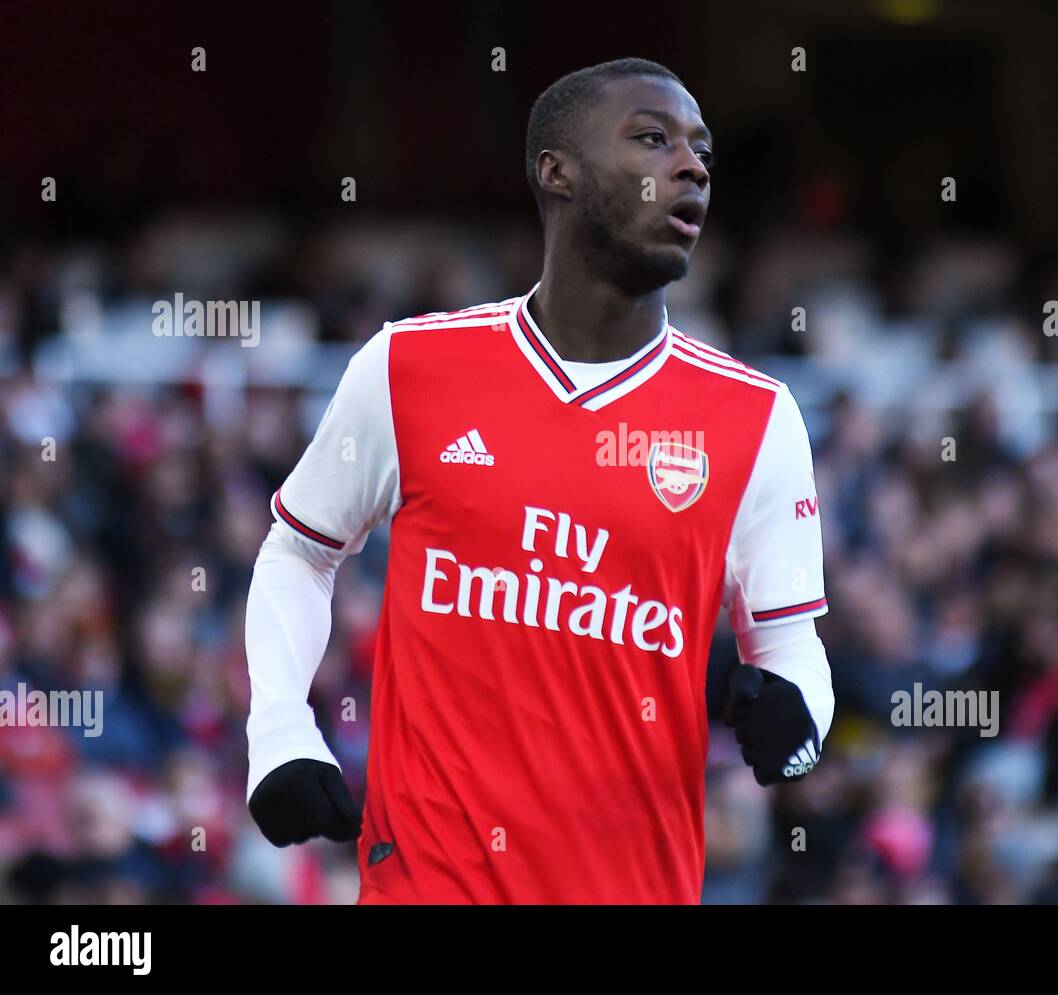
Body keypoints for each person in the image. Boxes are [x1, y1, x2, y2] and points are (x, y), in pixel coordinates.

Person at [244, 57, 834, 903]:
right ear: (556, 172)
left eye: (702, 149)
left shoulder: (757, 418)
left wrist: (800, 717)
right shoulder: (408, 367)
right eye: (654, 138)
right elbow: (298, 551)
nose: (693, 165)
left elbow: (790, 650)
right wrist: (280, 731)